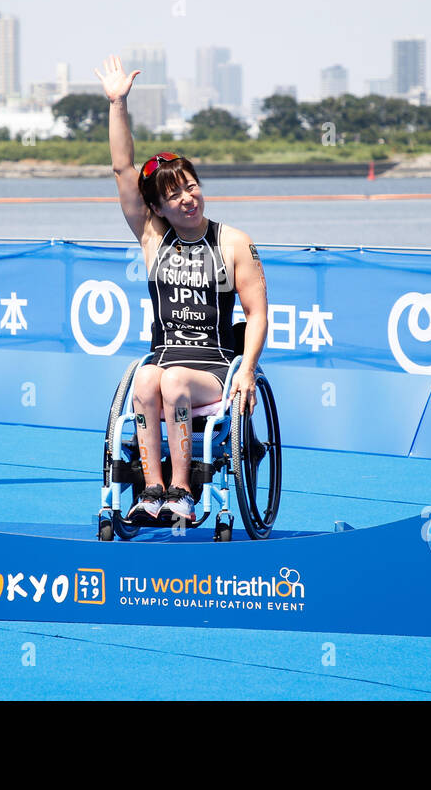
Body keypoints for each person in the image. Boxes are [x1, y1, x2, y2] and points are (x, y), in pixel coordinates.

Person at [95, 54, 268, 522]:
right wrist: (117, 104)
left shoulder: (233, 242)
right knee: (147, 377)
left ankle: (183, 492)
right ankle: (151, 491)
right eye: (174, 195)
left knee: (169, 380)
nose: (187, 198)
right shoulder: (153, 237)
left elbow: (256, 314)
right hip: (165, 357)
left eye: (191, 187)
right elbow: (122, 168)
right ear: (159, 207)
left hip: (214, 368)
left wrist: (248, 371)